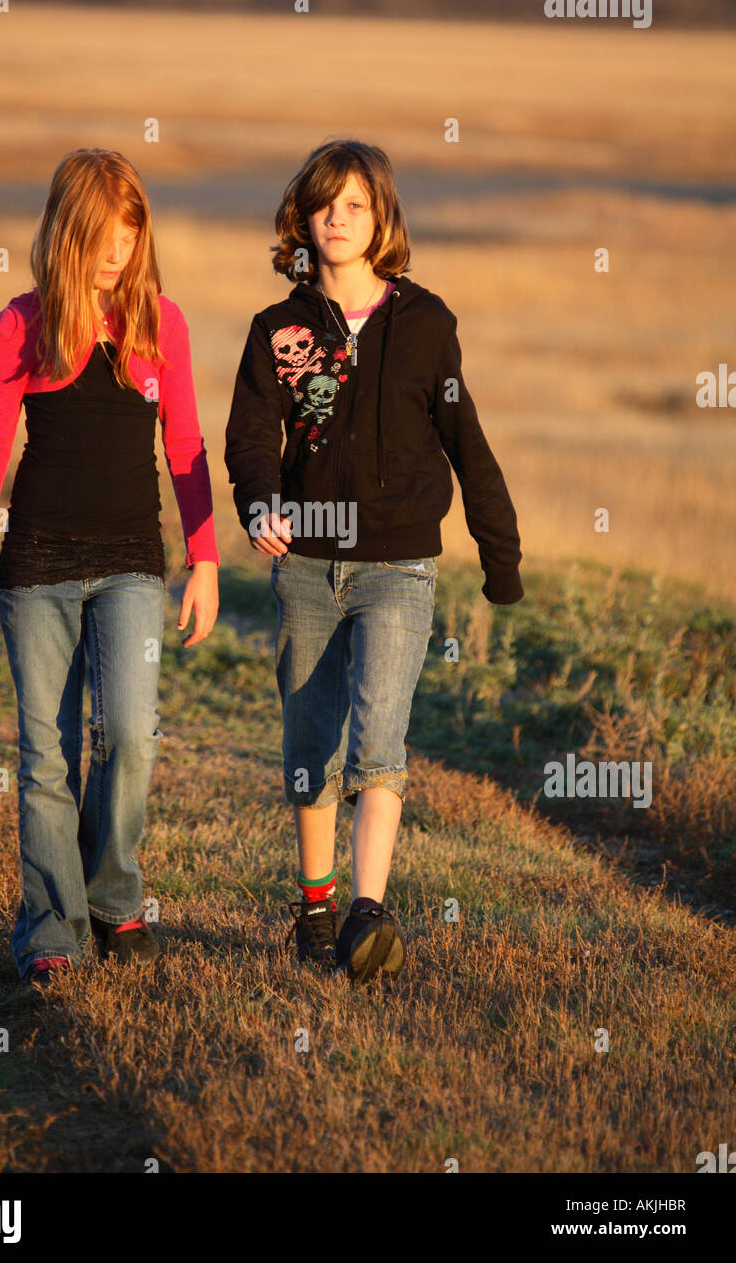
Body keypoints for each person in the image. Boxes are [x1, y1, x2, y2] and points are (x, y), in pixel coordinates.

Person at [225, 138, 523, 985]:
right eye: (324, 205)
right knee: (311, 746)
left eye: (355, 205)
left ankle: (368, 911)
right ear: (303, 220)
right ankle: (315, 905)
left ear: (381, 217)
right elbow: (249, 441)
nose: (338, 219)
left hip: (400, 566)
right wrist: (259, 505)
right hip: (309, 564)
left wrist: (500, 556)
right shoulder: (276, 329)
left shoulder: (427, 323)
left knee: (379, 741)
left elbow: (466, 441)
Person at [0, 148, 220, 987]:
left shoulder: (159, 324)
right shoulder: (22, 324)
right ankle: (51, 931)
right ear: (66, 233)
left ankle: (113, 894)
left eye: (130, 234)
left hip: (133, 563)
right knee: (45, 757)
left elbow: (188, 445)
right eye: (100, 234)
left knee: (131, 737)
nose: (115, 252)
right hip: (37, 571)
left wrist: (204, 558)